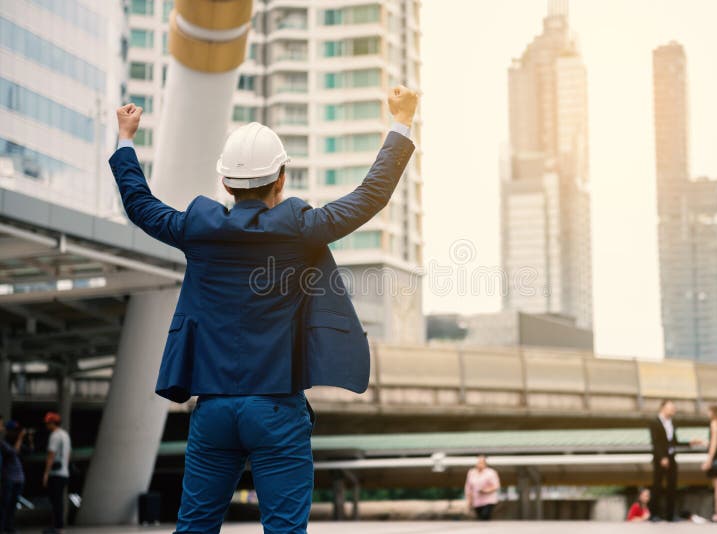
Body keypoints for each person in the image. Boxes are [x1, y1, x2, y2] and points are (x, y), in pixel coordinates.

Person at [110, 86, 418, 534]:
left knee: (194, 527)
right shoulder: (301, 229)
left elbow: (141, 205)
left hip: (214, 410)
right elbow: (370, 195)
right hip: (276, 410)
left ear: (225, 182)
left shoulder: (198, 230)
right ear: (281, 179)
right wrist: (402, 120)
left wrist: (125, 136)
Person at [649, 399, 701, 521]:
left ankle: (670, 515)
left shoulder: (672, 423)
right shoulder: (654, 422)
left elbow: (674, 442)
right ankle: (654, 514)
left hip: (671, 458)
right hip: (660, 459)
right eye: (671, 407)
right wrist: (662, 457)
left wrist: (689, 443)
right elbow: (656, 442)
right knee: (657, 486)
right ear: (663, 407)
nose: (673, 410)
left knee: (672, 486)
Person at [43, 412, 70, 534]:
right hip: (64, 472)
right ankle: (59, 526)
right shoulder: (65, 435)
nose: (46, 426)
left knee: (55, 501)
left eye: (47, 423)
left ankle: (58, 527)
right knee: (59, 500)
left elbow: (51, 455)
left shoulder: (54, 436)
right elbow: (69, 454)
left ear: (52, 423)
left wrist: (46, 474)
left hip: (55, 473)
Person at [1, 419, 29, 534]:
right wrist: (20, 438)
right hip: (8, 477)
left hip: (19, 478)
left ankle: (9, 526)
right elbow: (13, 452)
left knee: (13, 504)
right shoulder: (4, 442)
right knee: (4, 504)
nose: (16, 433)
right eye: (14, 431)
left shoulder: (16, 442)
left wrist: (29, 439)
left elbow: (29, 451)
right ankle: (2, 527)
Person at [464, 455, 500, 520]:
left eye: (481, 462)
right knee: (480, 518)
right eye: (478, 462)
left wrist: (486, 491)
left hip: (488, 500)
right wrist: (469, 501)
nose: (479, 464)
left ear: (485, 463)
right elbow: (468, 488)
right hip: (477, 500)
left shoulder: (491, 472)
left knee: (485, 515)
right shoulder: (471, 472)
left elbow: (496, 486)